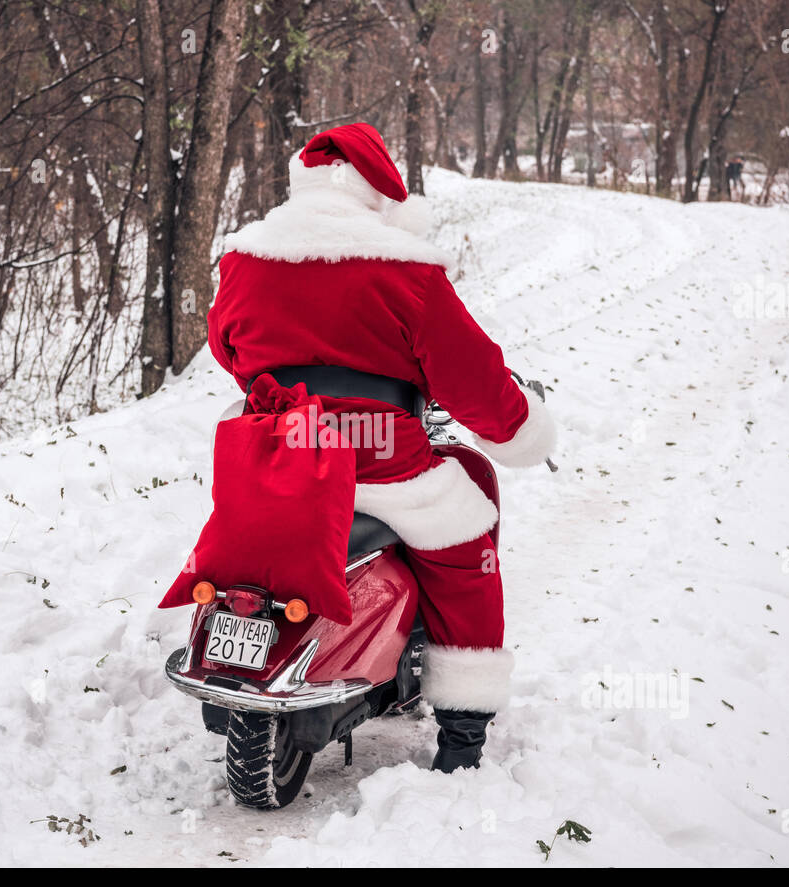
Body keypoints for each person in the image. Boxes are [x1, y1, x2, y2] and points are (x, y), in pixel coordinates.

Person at [205, 123, 556, 772]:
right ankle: (463, 730)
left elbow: (228, 349)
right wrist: (522, 426)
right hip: (383, 471)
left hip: (277, 457)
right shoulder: (403, 269)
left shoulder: (245, 258)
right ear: (378, 193)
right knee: (464, 551)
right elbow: (474, 382)